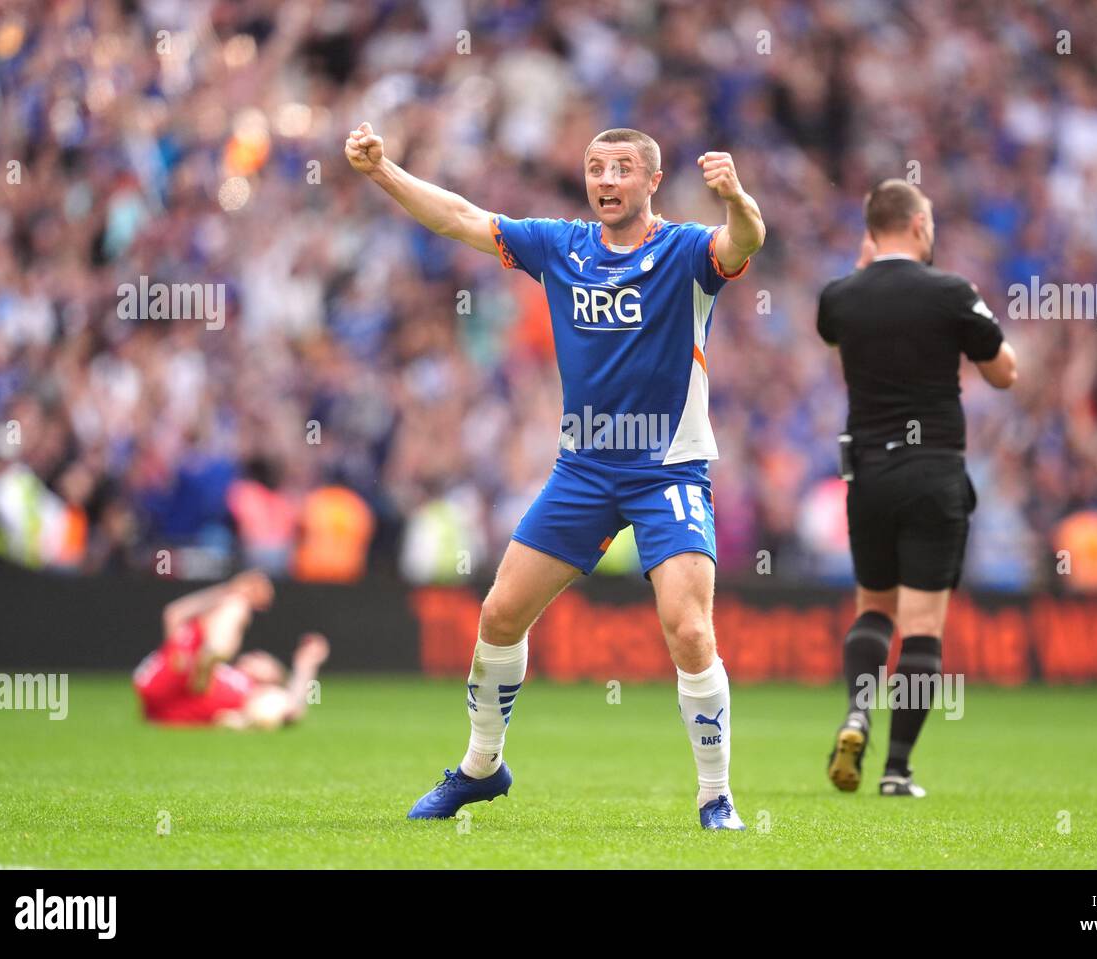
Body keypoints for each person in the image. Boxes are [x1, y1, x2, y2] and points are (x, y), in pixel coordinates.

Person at [345, 122, 765, 829]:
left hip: (668, 471)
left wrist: (737, 198)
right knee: (500, 614)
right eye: (596, 167)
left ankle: (715, 794)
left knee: (689, 629)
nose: (606, 180)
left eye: (622, 168)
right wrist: (385, 170)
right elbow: (459, 217)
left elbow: (745, 241)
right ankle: (482, 766)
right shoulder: (560, 245)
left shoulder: (687, 250)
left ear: (652, 182)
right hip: (585, 470)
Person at [816, 179, 1017, 797]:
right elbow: (1005, 373)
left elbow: (836, 346)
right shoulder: (953, 293)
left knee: (873, 609)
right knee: (923, 625)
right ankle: (897, 770)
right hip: (933, 472)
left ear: (871, 232)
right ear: (922, 226)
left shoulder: (840, 296)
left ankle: (856, 713)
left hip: (869, 474)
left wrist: (859, 272)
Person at [132, 570, 330, 730]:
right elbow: (173, 613)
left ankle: (210, 656)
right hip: (175, 676)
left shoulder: (248, 692)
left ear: (271, 679)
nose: (257, 656)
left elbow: (295, 710)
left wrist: (307, 666)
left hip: (174, 699)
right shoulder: (231, 676)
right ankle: (210, 655)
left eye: (264, 661)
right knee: (233, 606)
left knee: (236, 606)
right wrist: (230, 589)